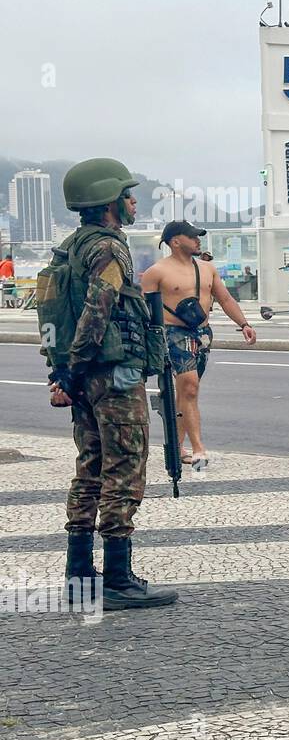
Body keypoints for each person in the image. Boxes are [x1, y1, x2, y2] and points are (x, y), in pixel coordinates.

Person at [45, 158, 178, 609]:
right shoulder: (108, 248)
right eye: (127, 194)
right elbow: (98, 311)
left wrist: (65, 371)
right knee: (123, 471)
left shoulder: (69, 246)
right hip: (113, 376)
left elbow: (57, 313)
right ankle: (118, 579)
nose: (133, 199)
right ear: (108, 203)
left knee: (90, 467)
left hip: (83, 376)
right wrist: (78, 364)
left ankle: (79, 574)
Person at [141, 220, 257, 473]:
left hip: (202, 333)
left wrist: (244, 323)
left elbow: (224, 298)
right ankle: (198, 449)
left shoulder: (207, 269)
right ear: (176, 241)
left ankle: (176, 446)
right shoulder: (156, 272)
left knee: (186, 392)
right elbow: (143, 308)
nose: (198, 241)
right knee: (190, 388)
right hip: (173, 333)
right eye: (193, 237)